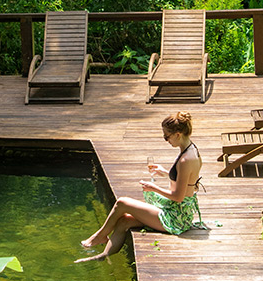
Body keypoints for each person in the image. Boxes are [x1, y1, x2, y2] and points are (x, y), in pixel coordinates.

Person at [75, 111, 202, 263]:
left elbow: (178, 196)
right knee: (124, 220)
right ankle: (103, 257)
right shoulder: (191, 150)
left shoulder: (185, 160)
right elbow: (188, 181)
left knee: (122, 203)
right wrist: (165, 172)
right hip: (180, 212)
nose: (166, 140)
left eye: (166, 136)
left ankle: (100, 236)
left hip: (176, 218)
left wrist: (153, 187)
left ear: (178, 134)